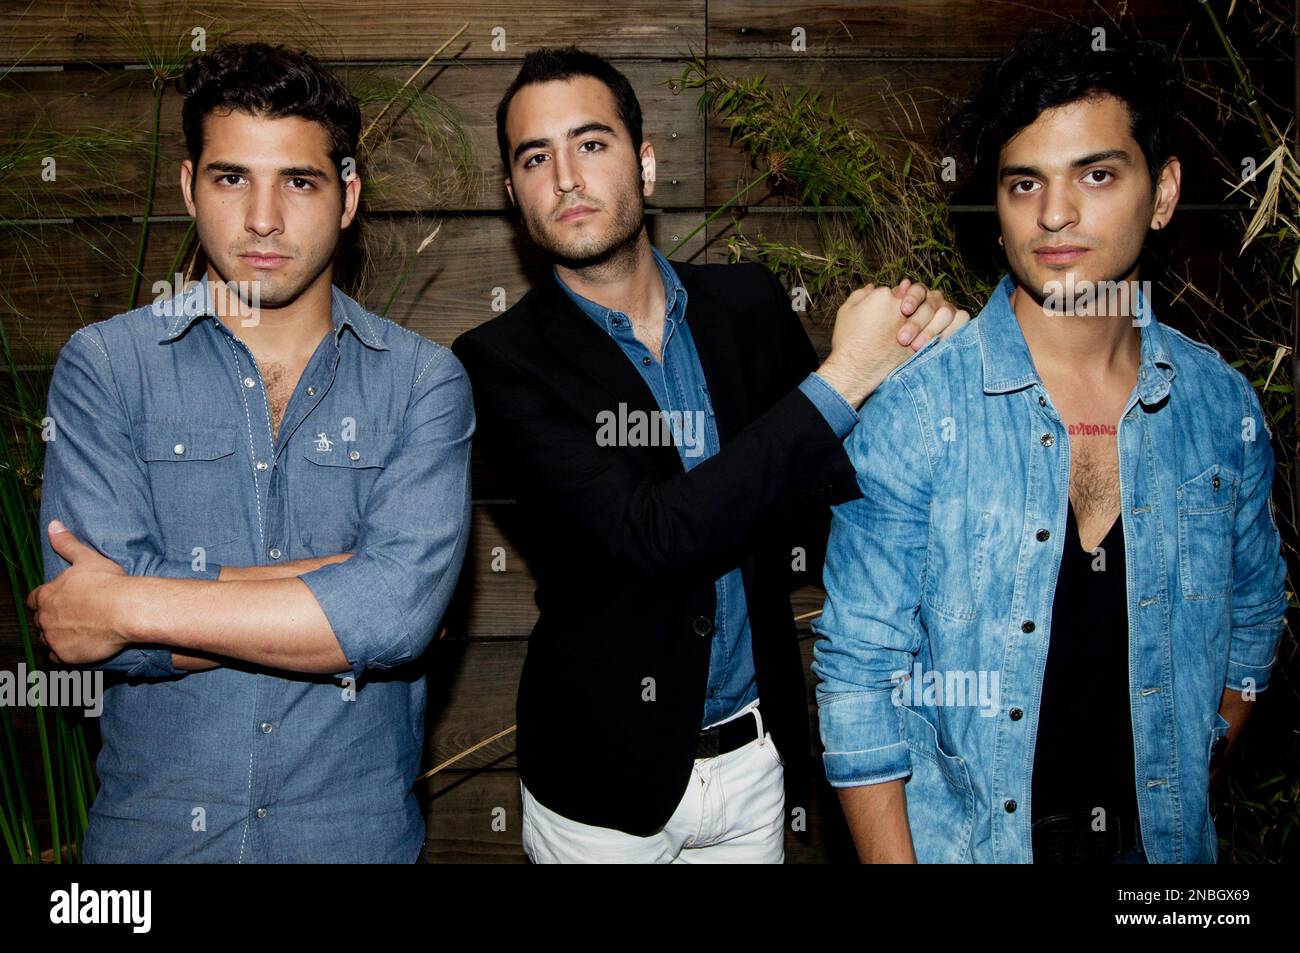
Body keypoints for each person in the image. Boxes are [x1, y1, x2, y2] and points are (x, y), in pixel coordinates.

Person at [452, 46, 970, 863]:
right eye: (535, 158)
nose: (566, 177)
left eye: (591, 143)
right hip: (601, 788)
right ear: (514, 195)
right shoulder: (497, 361)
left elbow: (829, 479)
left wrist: (918, 349)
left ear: (645, 163)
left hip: (756, 761)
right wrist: (846, 372)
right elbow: (654, 533)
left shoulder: (749, 302)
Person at [813, 25, 1288, 863]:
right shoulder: (918, 412)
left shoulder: (1219, 409)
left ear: (1165, 190)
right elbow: (859, 679)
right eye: (1023, 182)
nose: (1054, 214)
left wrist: (1182, 774)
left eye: (1096, 175)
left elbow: (1254, 615)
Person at [27, 42, 474, 863]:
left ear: (347, 197)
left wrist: (126, 599)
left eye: (298, 181)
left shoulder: (422, 381)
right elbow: (369, 607)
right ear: (188, 185)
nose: (263, 217)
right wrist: (341, 584)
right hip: (153, 851)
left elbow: (397, 616)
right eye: (233, 177)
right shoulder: (106, 366)